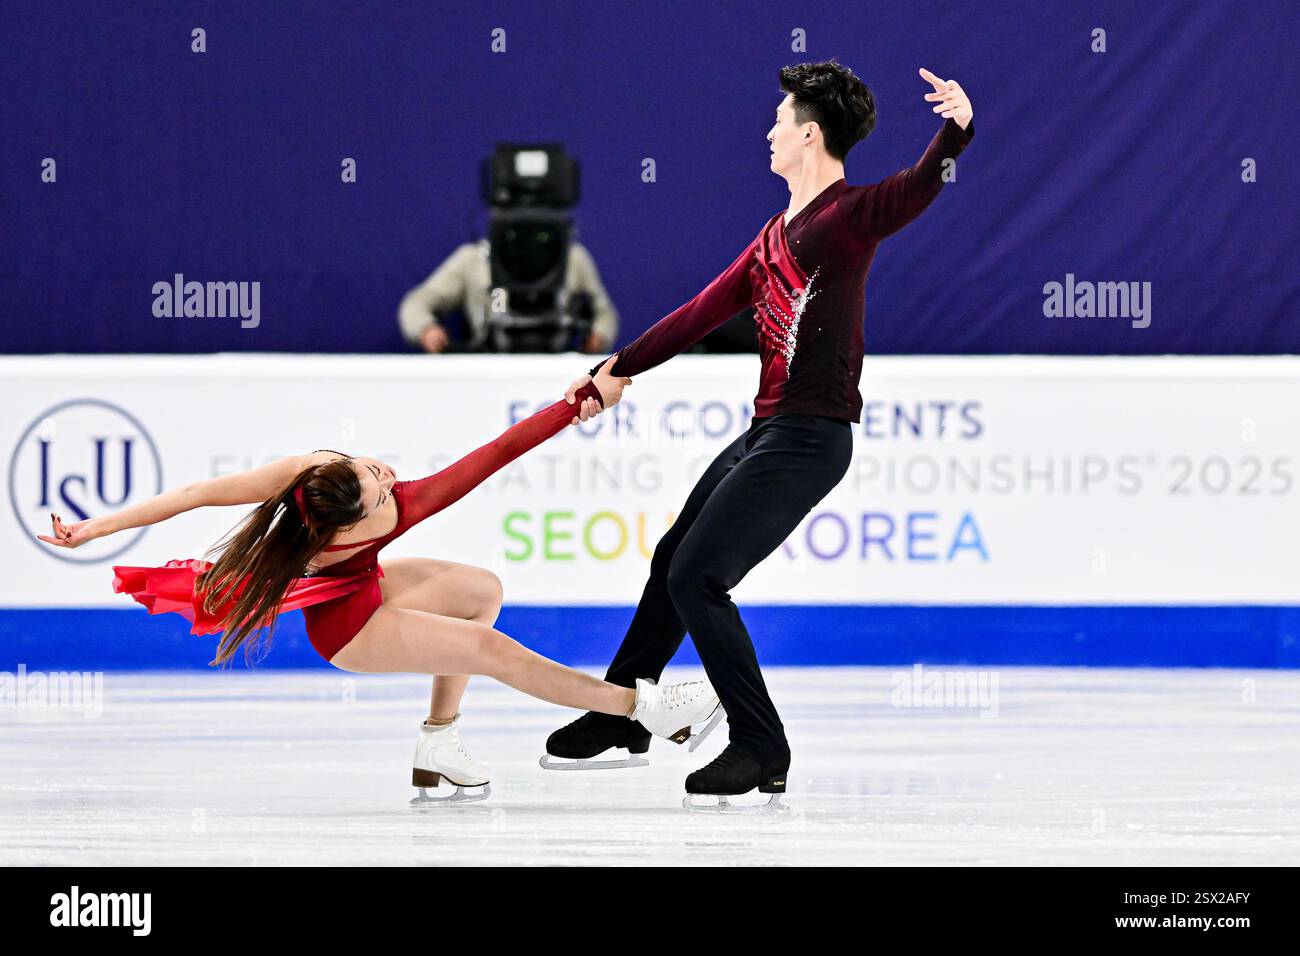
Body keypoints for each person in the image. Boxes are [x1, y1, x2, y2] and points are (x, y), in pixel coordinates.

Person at [545, 61, 976, 809]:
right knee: (677, 555)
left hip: (811, 438)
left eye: (779, 121)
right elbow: (702, 309)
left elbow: (919, 185)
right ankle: (624, 716)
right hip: (768, 429)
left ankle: (759, 743)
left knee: (697, 579)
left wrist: (957, 130)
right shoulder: (777, 233)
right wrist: (616, 370)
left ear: (810, 135)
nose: (769, 132)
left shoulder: (848, 217)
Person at [36, 376, 722, 804]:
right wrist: (102, 533)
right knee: (486, 647)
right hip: (347, 629)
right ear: (351, 518)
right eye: (377, 488)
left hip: (368, 588)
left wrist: (576, 403)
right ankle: (642, 709)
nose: (387, 476)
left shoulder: (314, 472)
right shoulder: (336, 526)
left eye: (372, 469)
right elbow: (197, 501)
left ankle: (438, 743)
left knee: (480, 590)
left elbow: (494, 454)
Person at [398, 238, 619, 354]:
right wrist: (426, 329)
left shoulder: (573, 259)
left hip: (558, 375)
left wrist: (597, 336)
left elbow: (605, 315)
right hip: (487, 375)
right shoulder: (473, 260)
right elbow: (416, 304)